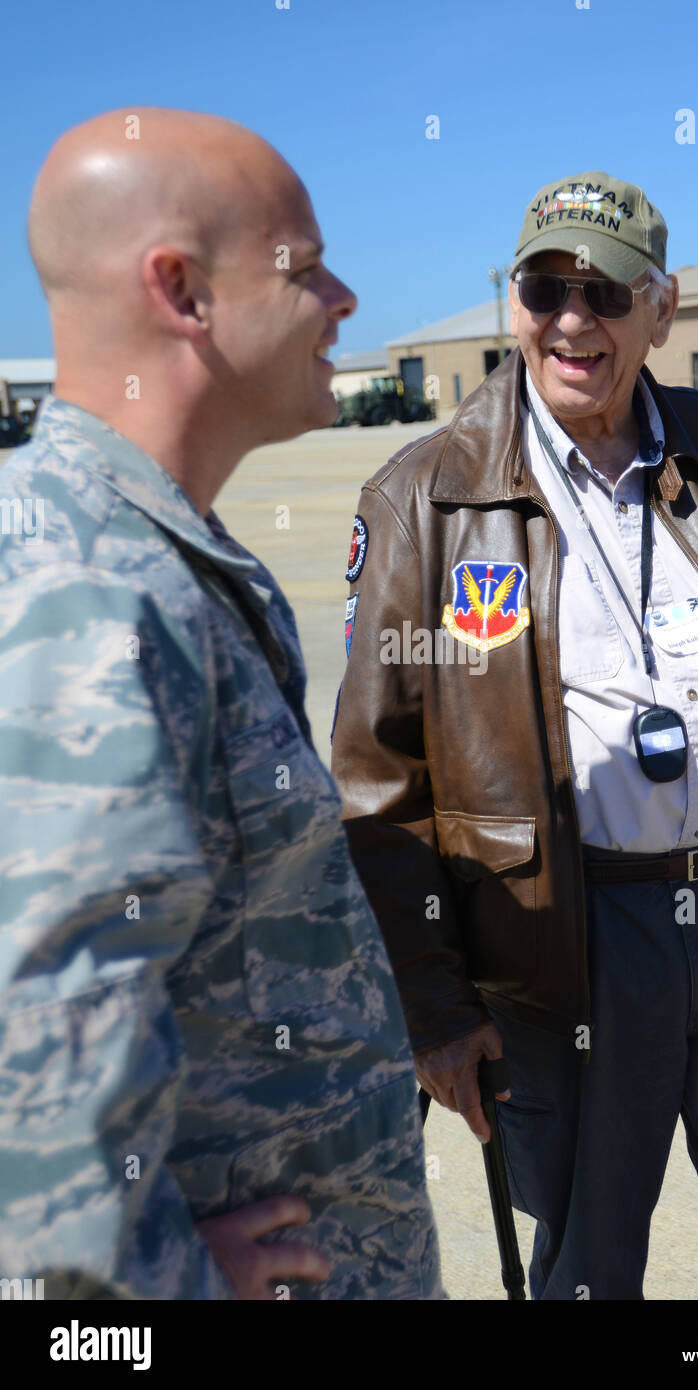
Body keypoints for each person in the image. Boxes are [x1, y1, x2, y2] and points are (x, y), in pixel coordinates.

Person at [331, 170, 698, 1300]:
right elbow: (380, 784)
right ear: (511, 305)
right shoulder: (424, 498)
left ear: (661, 311)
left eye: (607, 291)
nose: (574, 319)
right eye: (545, 286)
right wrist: (432, 1006)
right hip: (562, 946)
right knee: (587, 1271)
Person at [0, 107, 442, 1301]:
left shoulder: (154, 550)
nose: (345, 297)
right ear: (182, 293)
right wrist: (141, 1296)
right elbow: (37, 1027)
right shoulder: (89, 590)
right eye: (305, 265)